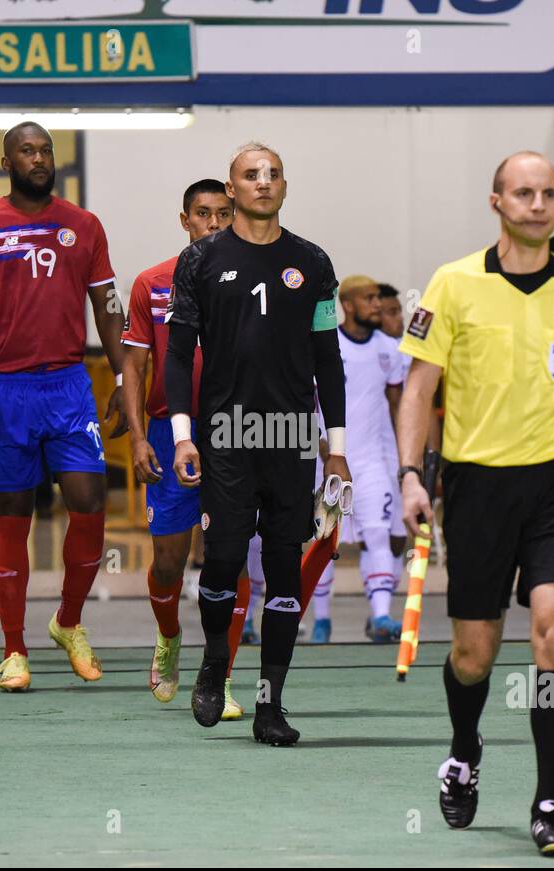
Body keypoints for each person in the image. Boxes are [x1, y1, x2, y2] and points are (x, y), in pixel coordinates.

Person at [399, 151, 554, 856]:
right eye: (523, 192)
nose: (538, 204)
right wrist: (409, 474)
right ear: (496, 202)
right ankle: (464, 747)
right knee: (473, 654)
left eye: (549, 192)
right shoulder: (452, 284)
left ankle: (548, 801)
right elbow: (419, 388)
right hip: (479, 485)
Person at [166, 141, 349, 745]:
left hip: (293, 438)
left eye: (272, 174)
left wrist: (336, 447)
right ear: (232, 186)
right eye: (251, 175)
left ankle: (271, 703)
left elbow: (329, 359)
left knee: (283, 570)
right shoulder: (200, 261)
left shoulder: (313, 261)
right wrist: (183, 437)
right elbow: (177, 356)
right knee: (221, 560)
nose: (263, 183)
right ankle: (215, 659)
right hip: (225, 436)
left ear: (285, 186)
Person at [0, 122, 128, 692]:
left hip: (69, 386)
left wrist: (124, 377)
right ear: (6, 162)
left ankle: (68, 621)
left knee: (90, 502)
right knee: (12, 514)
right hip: (5, 390)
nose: (38, 158)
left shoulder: (83, 225)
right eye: (26, 151)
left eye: (45, 150)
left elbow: (107, 307)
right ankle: (15, 649)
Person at [122, 177, 250, 718]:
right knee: (170, 562)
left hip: (236, 431)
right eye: (204, 214)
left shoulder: (251, 277)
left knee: (232, 555)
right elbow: (133, 365)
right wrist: (135, 437)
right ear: (185, 220)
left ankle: (219, 675)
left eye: (224, 213)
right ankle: (170, 636)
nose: (214, 223)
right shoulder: (151, 283)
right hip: (165, 430)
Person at [335, 274, 404, 641]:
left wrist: (407, 456)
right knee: (317, 542)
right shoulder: (326, 344)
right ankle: (315, 618)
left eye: (379, 298)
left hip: (372, 461)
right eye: (370, 299)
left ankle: (380, 617)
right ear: (348, 305)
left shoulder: (388, 348)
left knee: (378, 533)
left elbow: (398, 405)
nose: (377, 304)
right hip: (328, 459)